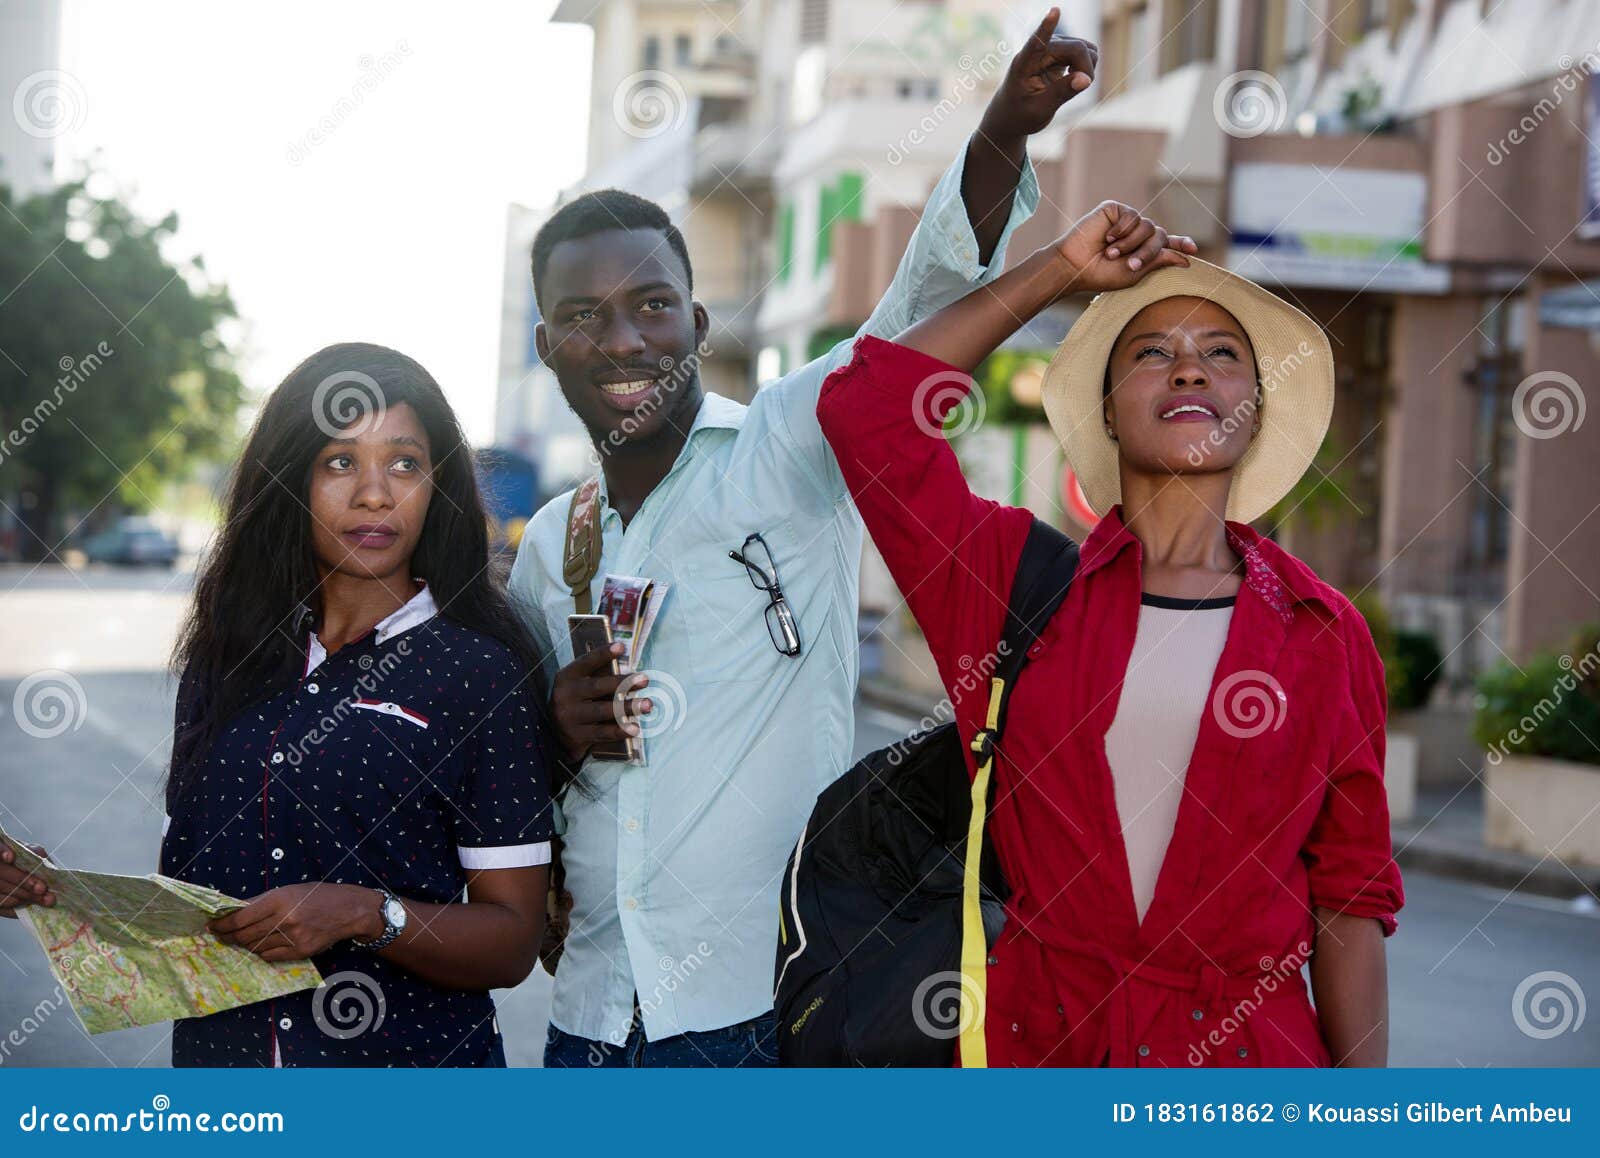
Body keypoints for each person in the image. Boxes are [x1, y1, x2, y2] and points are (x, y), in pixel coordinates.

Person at [512, 11, 1100, 1068]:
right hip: (592, 1010)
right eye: (584, 315)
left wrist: (1004, 131)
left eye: (651, 306)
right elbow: (509, 775)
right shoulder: (553, 543)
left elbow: (913, 310)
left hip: (763, 1000)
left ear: (696, 324)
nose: (623, 339)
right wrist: (554, 728)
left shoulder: (788, 443)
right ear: (547, 343)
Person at [815, 205, 1404, 1067]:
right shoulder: (1012, 586)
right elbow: (867, 410)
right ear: (1109, 409)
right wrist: (1059, 268)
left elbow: (1349, 897)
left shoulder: (1324, 632)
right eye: (1152, 352)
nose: (1189, 369)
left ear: (1254, 408)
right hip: (1042, 1053)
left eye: (1222, 354)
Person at [153, 343, 552, 1066]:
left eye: (404, 463)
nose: (376, 494)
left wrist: (367, 914)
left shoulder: (478, 673)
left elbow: (513, 941)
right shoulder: (229, 656)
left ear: (438, 486)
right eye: (340, 462)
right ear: (291, 478)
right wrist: (57, 894)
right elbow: (193, 894)